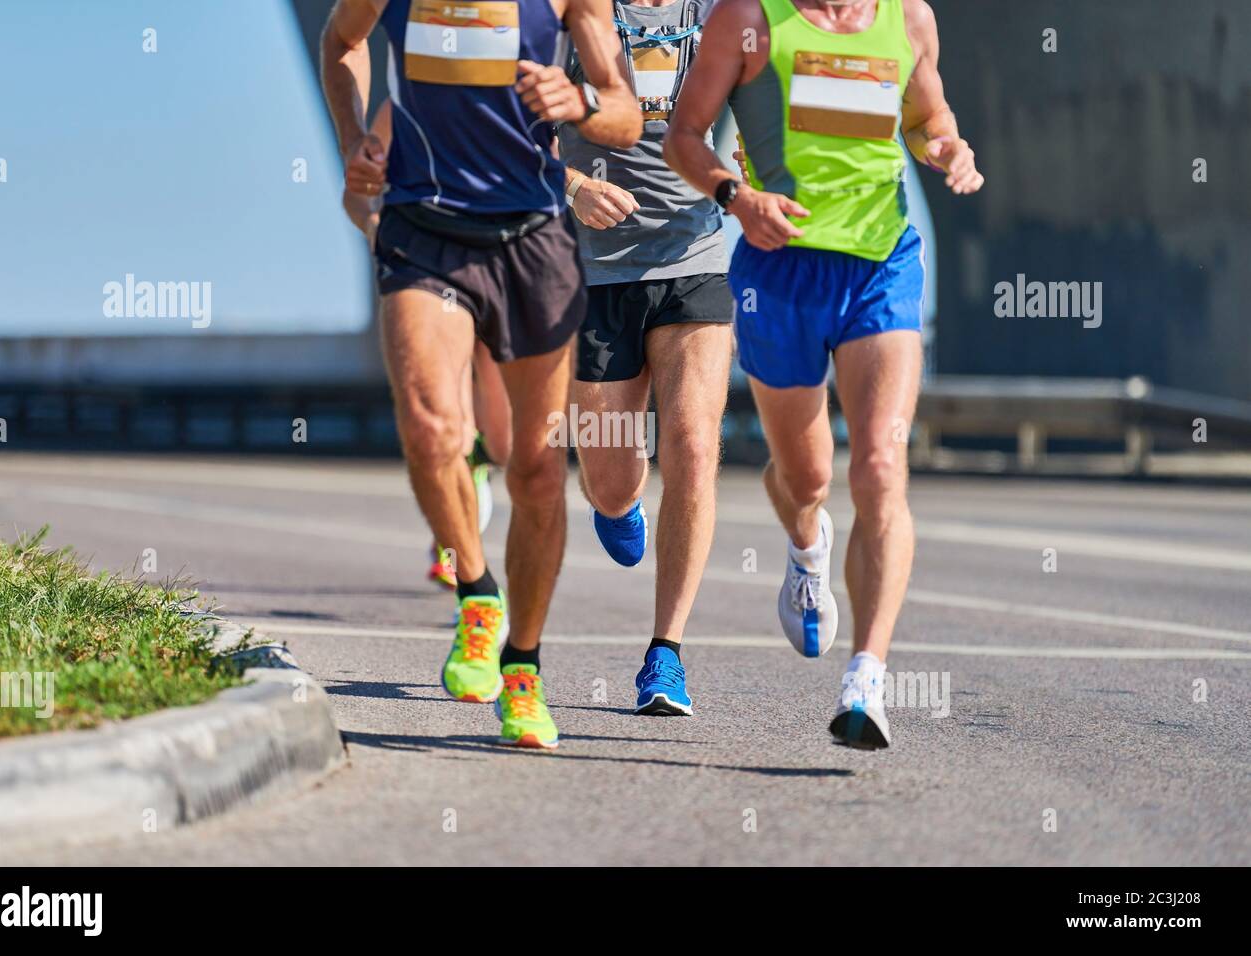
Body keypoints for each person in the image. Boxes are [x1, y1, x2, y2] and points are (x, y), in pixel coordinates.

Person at [322, 0, 641, 748]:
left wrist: (584, 103)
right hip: (423, 226)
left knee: (534, 469)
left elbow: (624, 111)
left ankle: (523, 668)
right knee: (432, 429)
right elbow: (342, 40)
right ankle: (475, 591)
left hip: (532, 239)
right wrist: (354, 141)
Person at [664, 0, 982, 748]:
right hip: (778, 274)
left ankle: (865, 679)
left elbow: (927, 117)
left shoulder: (907, 17)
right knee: (807, 477)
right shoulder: (747, 19)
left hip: (882, 266)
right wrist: (736, 198)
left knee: (878, 466)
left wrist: (948, 149)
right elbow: (684, 137)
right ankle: (807, 541)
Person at [557, 0, 733, 716]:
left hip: (693, 258)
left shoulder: (719, 11)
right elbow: (509, 125)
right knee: (612, 479)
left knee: (693, 444)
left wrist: (754, 165)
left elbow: (765, 93)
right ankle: (615, 501)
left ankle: (666, 654)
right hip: (594, 274)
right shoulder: (573, 14)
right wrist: (572, 187)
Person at [341, 102, 513, 594]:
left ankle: (478, 464)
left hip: (507, 273)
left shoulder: (521, 87)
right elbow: (356, 195)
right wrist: (376, 228)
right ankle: (465, 566)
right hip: (432, 274)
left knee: (505, 443)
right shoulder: (405, 104)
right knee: (446, 425)